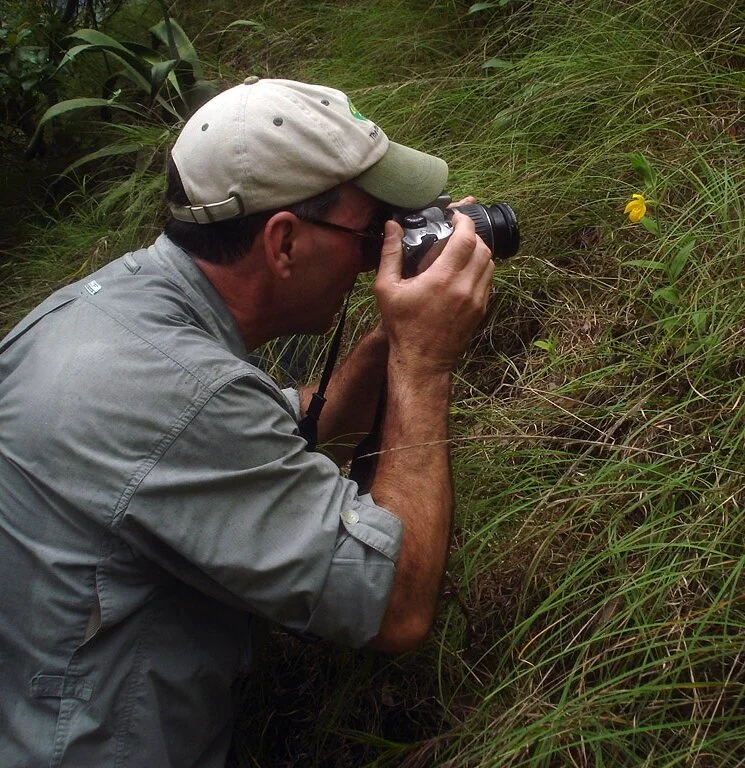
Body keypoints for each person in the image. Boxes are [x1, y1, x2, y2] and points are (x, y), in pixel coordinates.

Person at [0, 77, 494, 766]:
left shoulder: (103, 309)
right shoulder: (176, 393)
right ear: (283, 242)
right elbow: (392, 609)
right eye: (366, 235)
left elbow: (267, 436)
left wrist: (392, 332)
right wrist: (423, 361)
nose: (373, 256)